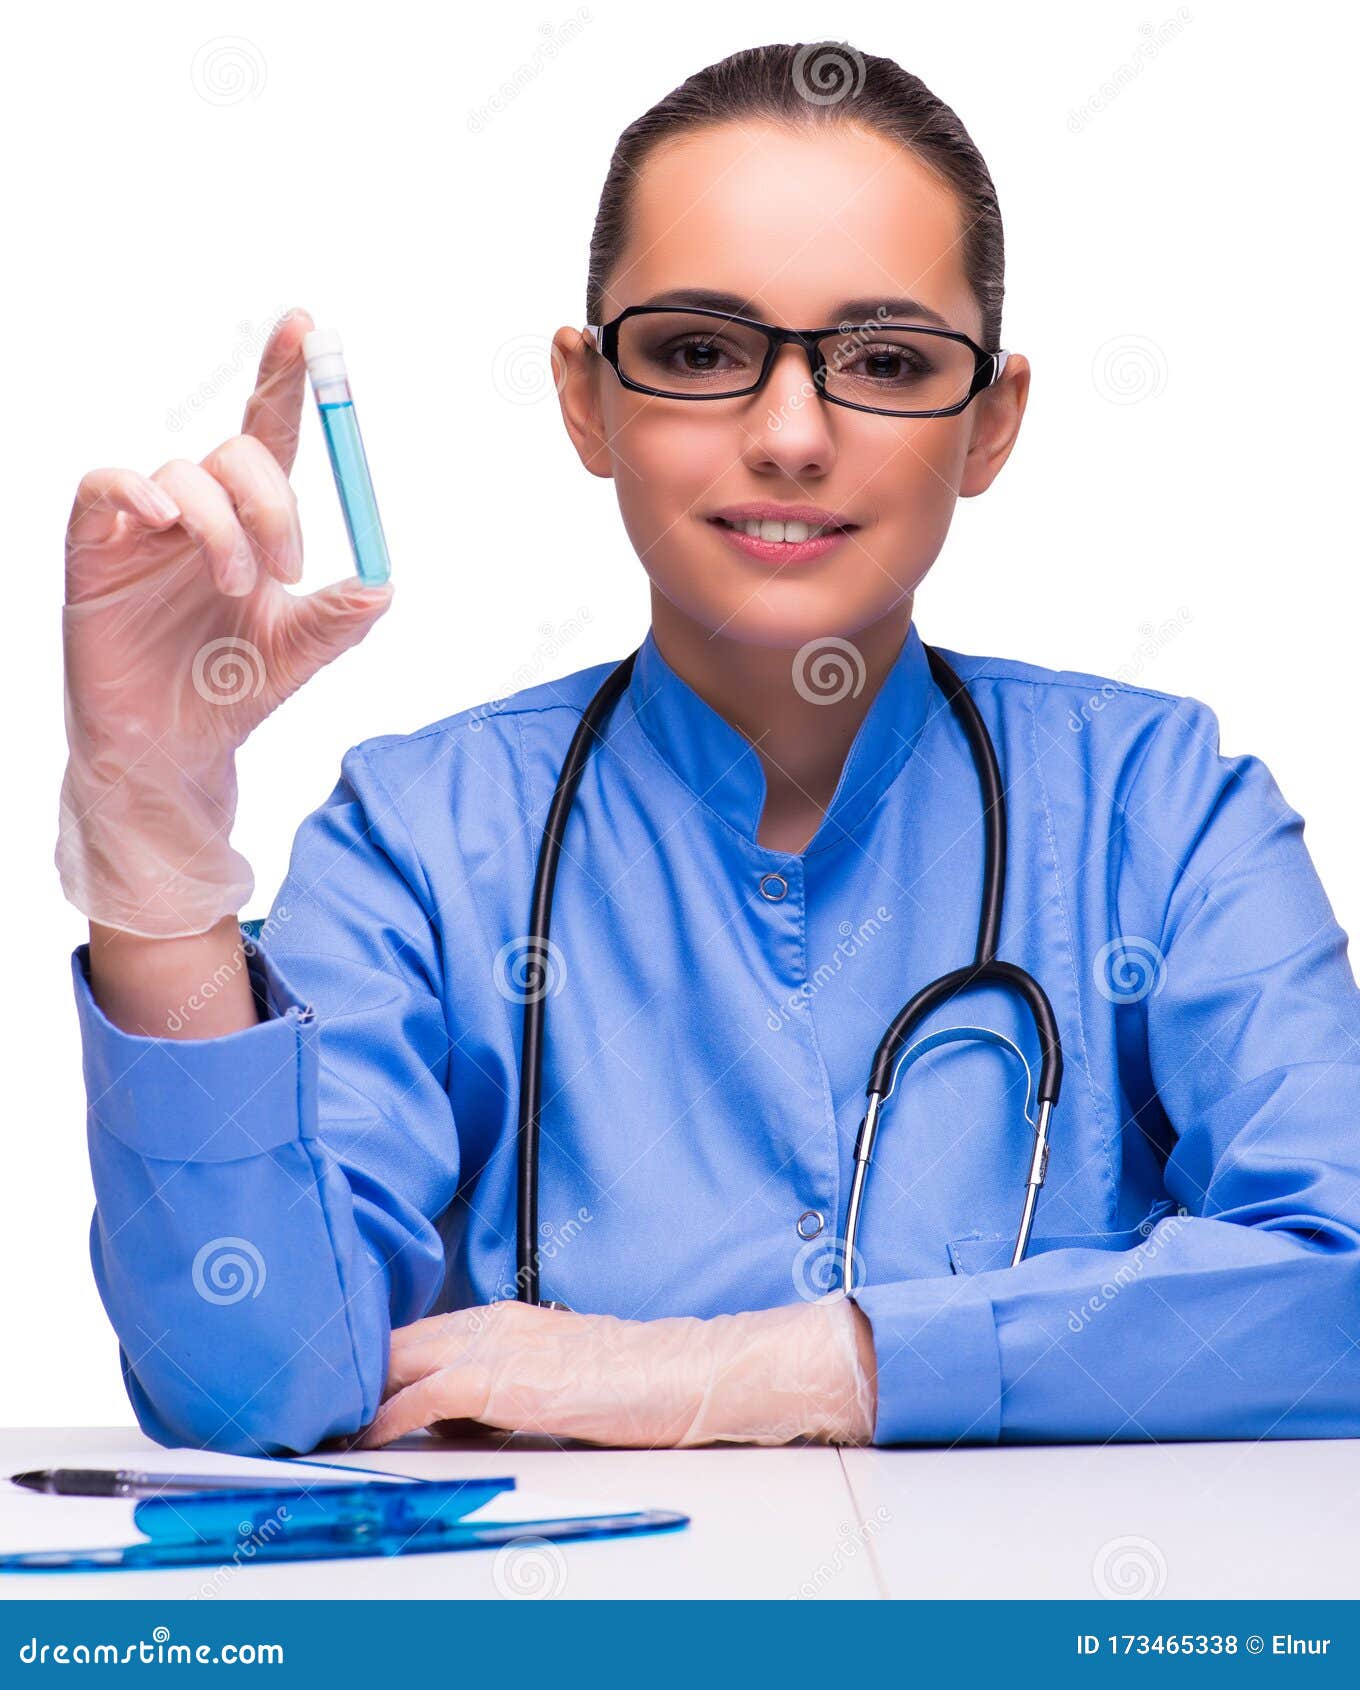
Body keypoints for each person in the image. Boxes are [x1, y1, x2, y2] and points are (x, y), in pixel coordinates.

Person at [57, 41, 1360, 1458]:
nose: (790, 435)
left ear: (991, 421)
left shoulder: (1160, 811)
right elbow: (255, 1390)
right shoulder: (423, 840)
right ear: (585, 396)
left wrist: (778, 1369)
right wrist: (159, 860)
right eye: (699, 351)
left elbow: (1337, 1280)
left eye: (883, 360)